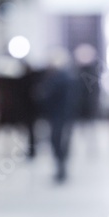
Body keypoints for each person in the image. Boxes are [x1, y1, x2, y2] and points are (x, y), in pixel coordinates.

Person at [35, 48, 82, 184]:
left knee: (58, 141)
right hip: (64, 115)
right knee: (62, 141)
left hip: (59, 115)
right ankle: (61, 167)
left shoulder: (58, 78)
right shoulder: (69, 77)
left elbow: (46, 95)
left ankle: (61, 168)